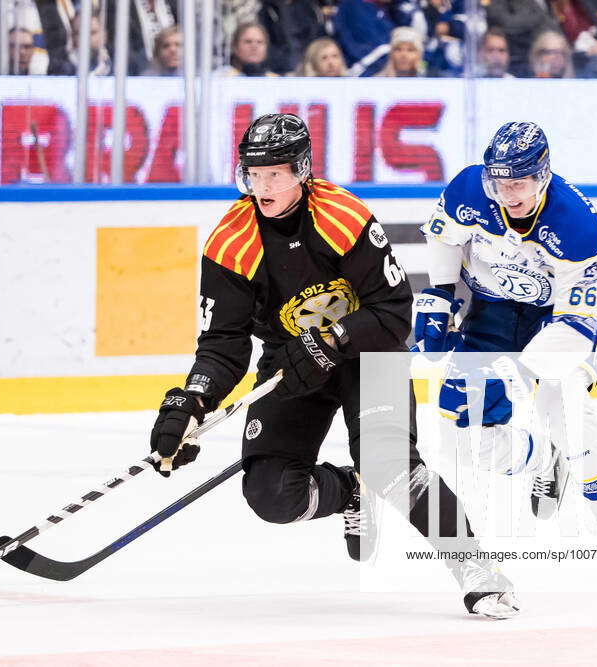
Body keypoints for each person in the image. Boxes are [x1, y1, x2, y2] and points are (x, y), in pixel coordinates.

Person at [148, 113, 520, 620]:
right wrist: (193, 400)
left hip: (369, 353)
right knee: (271, 496)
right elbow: (223, 342)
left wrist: (330, 340)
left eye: (274, 174)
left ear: (301, 170)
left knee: (391, 465)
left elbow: (393, 313)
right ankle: (348, 489)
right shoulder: (230, 242)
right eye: (253, 175)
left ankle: (478, 570)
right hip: (291, 363)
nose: (262, 187)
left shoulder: (342, 215)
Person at [415, 121, 597, 582]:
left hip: (560, 320)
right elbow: (444, 237)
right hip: (493, 313)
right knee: (466, 438)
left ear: (542, 176)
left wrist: (522, 369)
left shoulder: (577, 226)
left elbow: (576, 322)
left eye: (518, 183)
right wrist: (439, 294)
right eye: (499, 183)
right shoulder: (468, 189)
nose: (508, 194)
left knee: (566, 406)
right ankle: (546, 459)